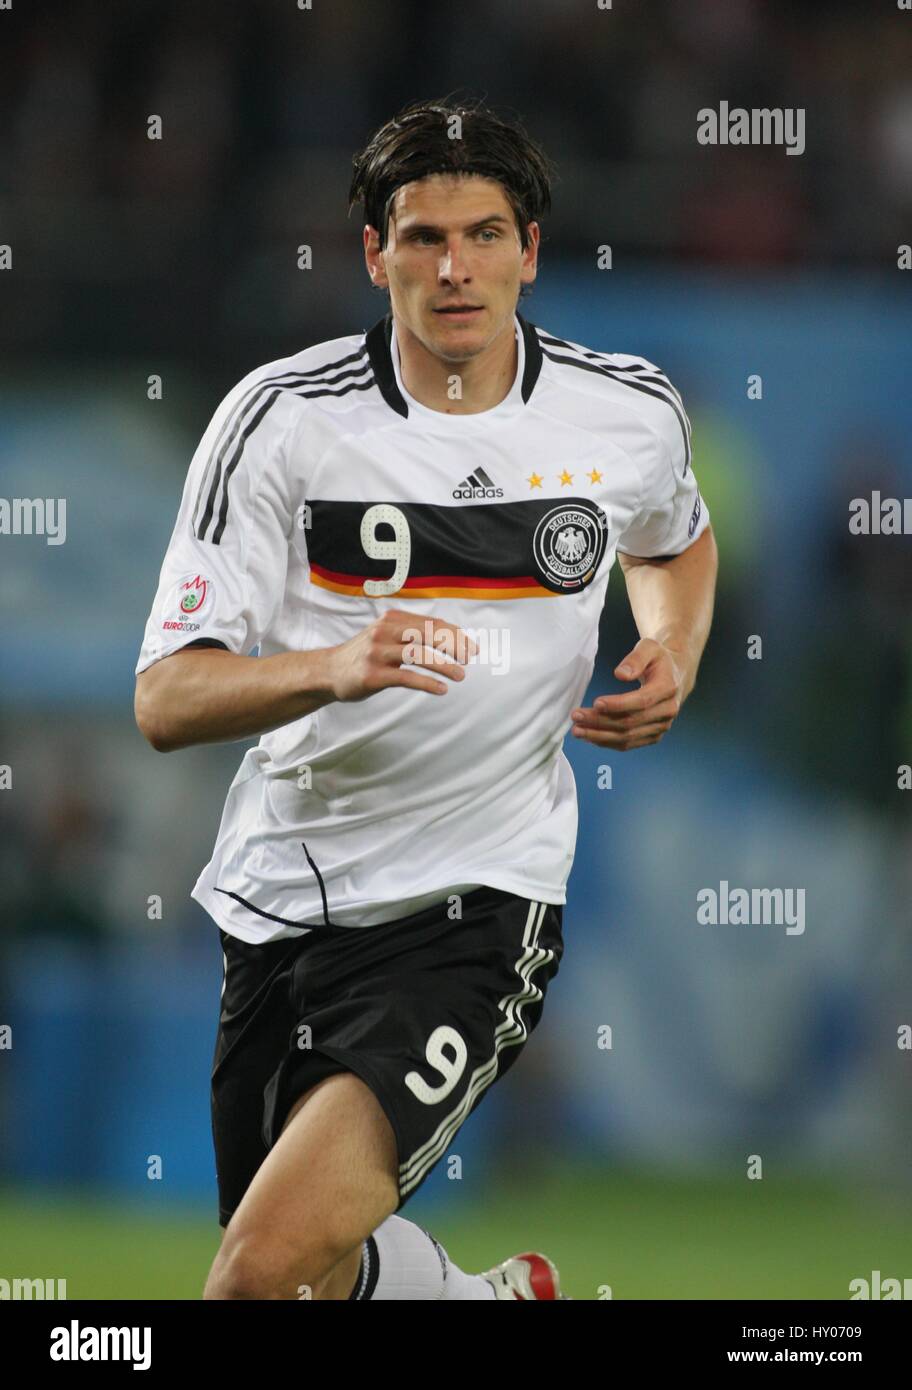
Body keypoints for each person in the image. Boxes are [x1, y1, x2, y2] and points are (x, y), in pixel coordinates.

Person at [134, 96, 717, 1301]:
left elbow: (678, 537)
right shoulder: (280, 425)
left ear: (532, 250)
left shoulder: (625, 415)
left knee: (254, 1275)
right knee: (308, 1273)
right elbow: (165, 699)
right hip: (281, 903)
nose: (457, 268)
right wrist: (330, 664)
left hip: (475, 904)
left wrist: (673, 645)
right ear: (373, 255)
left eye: (486, 234)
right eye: (423, 239)